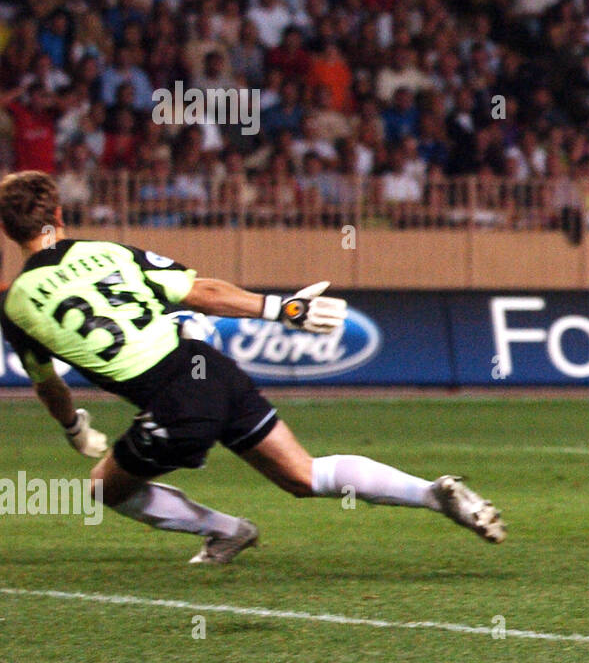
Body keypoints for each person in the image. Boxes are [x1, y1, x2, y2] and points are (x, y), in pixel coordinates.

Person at [0, 171, 504, 561]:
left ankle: (225, 530)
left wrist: (73, 428)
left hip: (173, 401)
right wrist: (283, 309)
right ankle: (434, 494)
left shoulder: (18, 303)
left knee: (100, 490)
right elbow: (204, 292)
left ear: (5, 229)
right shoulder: (107, 251)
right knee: (303, 475)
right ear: (60, 214)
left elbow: (46, 383)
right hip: (209, 368)